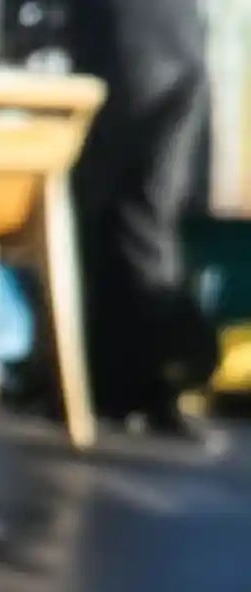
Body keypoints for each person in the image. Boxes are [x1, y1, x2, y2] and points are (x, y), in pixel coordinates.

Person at [67, 0, 219, 437]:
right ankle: (143, 381)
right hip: (176, 47)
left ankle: (126, 384)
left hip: (138, 48)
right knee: (146, 217)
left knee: (124, 216)